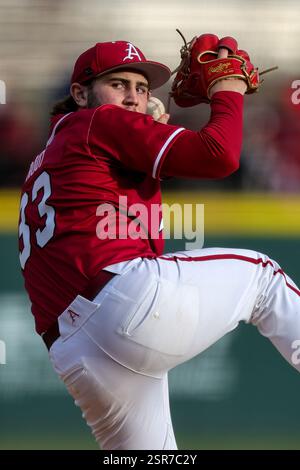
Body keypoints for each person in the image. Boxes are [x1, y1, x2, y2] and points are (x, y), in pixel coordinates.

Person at [18, 39, 300, 450]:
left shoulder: (52, 153)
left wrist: (155, 129)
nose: (133, 96)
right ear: (80, 94)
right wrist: (228, 91)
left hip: (75, 351)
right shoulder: (98, 123)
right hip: (120, 300)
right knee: (262, 277)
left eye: (142, 87)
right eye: (118, 84)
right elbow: (219, 155)